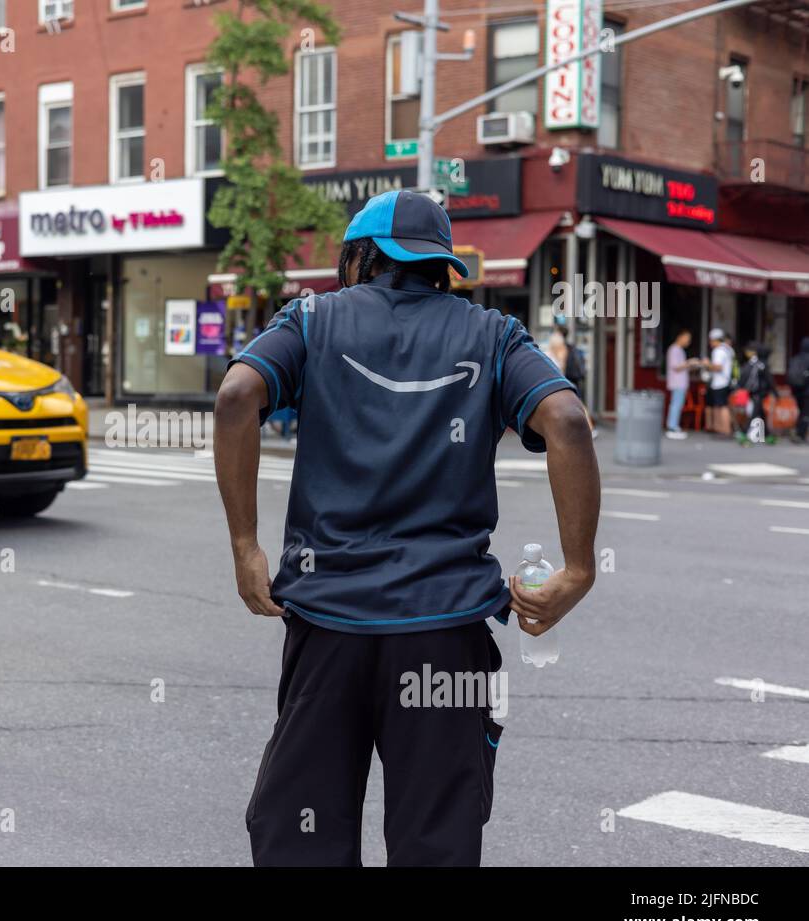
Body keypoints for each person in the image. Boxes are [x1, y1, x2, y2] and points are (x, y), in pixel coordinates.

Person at [213, 189, 601, 867]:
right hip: (445, 631)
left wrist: (246, 546)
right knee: (436, 840)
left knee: (300, 833)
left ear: (361, 257)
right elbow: (567, 421)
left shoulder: (312, 319)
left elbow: (236, 395)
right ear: (439, 266)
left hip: (329, 624)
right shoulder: (492, 333)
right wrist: (579, 568)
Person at [544, 318, 596, 436]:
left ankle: (590, 428)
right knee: (576, 404)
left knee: (578, 405)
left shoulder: (561, 348)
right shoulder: (568, 347)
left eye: (556, 333)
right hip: (571, 380)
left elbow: (561, 367)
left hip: (567, 380)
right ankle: (587, 429)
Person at [736, 342, 776, 445]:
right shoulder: (762, 364)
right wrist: (775, 392)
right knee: (754, 414)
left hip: (752, 391)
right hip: (760, 392)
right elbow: (769, 380)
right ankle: (744, 434)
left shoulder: (752, 363)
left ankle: (768, 435)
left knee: (761, 413)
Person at [703, 329, 735, 436]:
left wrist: (707, 364)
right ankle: (719, 427)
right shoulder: (728, 349)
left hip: (720, 382)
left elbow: (718, 367)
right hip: (726, 381)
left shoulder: (718, 351)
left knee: (722, 406)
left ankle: (725, 429)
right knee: (719, 406)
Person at [664, 329, 696, 439]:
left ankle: (674, 426)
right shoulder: (674, 349)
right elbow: (676, 366)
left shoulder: (680, 350)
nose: (688, 341)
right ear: (680, 337)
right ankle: (672, 427)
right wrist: (689, 363)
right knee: (676, 405)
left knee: (677, 404)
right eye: (687, 338)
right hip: (677, 382)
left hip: (681, 382)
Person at [788, 337, 809, 444]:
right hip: (807, 391)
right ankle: (799, 433)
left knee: (802, 412)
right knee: (806, 413)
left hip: (797, 391)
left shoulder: (795, 358)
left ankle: (799, 432)